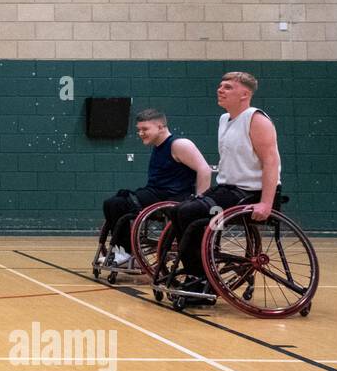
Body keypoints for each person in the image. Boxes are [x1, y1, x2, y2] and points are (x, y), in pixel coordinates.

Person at [169, 72, 282, 296]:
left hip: (252, 194)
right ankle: (196, 272)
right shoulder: (224, 119)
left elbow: (271, 161)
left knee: (190, 214)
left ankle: (201, 278)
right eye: (220, 86)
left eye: (228, 87)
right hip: (228, 190)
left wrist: (266, 203)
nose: (220, 90)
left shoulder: (256, 119)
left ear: (245, 94)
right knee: (179, 211)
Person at [101, 108, 210, 269]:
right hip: (155, 192)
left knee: (117, 204)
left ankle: (127, 254)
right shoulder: (158, 146)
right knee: (112, 202)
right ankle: (122, 249)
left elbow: (204, 170)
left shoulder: (179, 144)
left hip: (172, 197)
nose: (140, 133)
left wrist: (200, 201)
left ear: (160, 127)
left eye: (145, 129)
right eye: (139, 130)